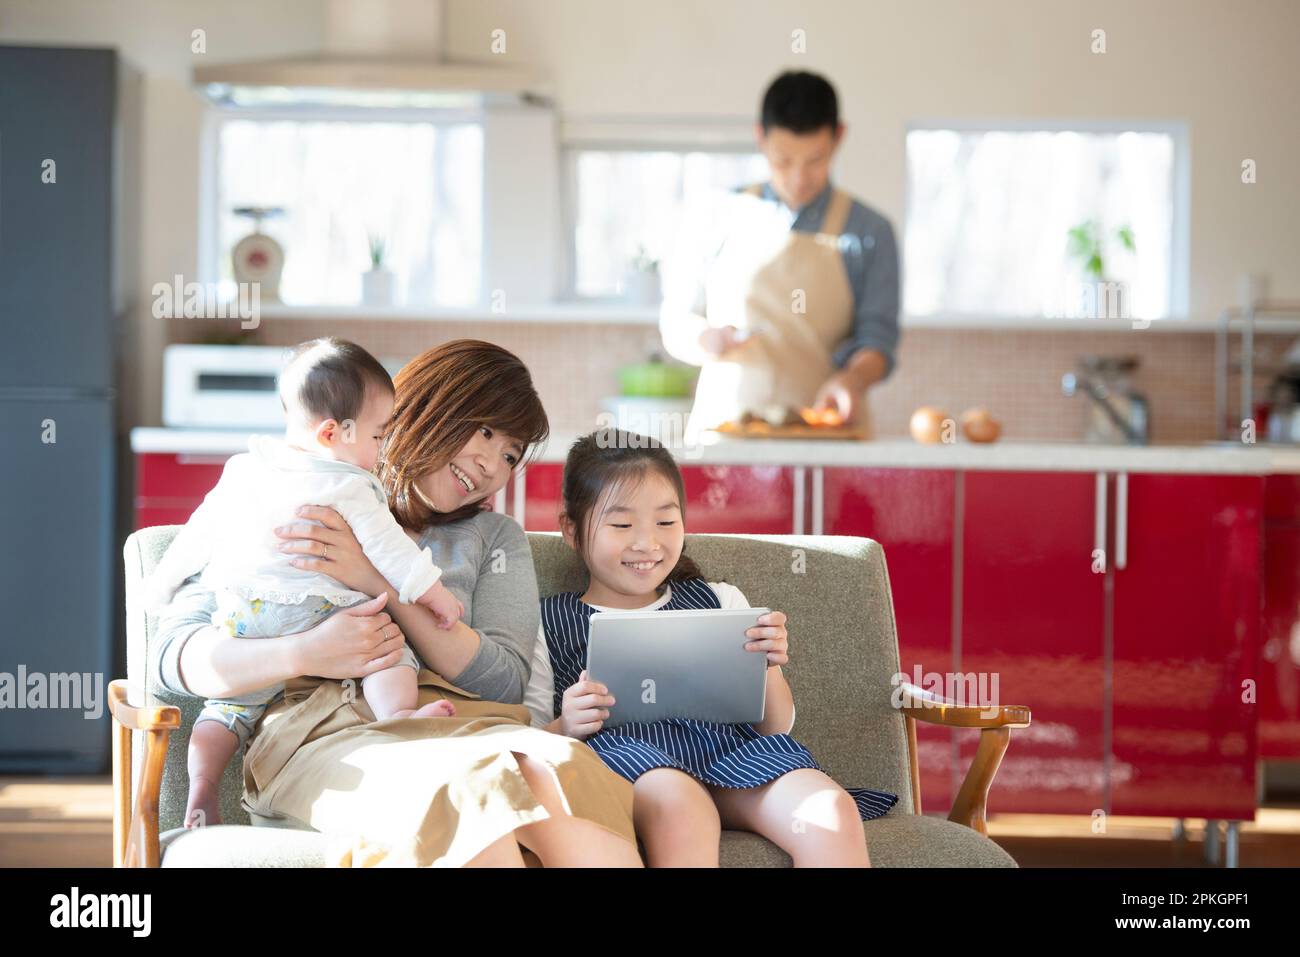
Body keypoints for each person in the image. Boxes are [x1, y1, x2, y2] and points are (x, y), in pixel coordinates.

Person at [150, 340, 643, 867]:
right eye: (484, 431)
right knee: (468, 791)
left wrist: (369, 576)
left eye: (509, 454)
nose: (490, 466)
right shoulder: (286, 492)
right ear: (423, 406)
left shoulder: (494, 537)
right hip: (324, 731)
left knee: (564, 766)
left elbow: (502, 681)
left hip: (466, 724)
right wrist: (307, 652)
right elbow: (172, 658)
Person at [524, 428, 898, 866]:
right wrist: (567, 724)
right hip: (630, 766)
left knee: (830, 811)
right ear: (571, 529)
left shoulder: (722, 600)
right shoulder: (546, 623)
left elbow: (775, 728)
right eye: (622, 525)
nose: (647, 543)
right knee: (683, 805)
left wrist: (769, 666)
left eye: (666, 522)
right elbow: (526, 739)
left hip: (732, 758)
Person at [147, 338, 463, 828]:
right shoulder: (347, 483)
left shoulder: (244, 470)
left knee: (226, 708)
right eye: (378, 436)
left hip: (246, 617)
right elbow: (391, 550)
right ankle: (396, 718)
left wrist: (162, 585)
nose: (382, 449)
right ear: (332, 433)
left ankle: (204, 783)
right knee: (389, 652)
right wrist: (435, 594)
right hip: (320, 610)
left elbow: (197, 536)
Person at [659, 70, 900, 438]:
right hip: (725, 436)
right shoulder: (715, 216)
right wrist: (705, 339)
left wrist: (853, 379)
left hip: (827, 436)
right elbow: (677, 320)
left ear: (838, 137)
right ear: (760, 137)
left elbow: (877, 339)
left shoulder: (870, 231)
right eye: (784, 160)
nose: (799, 178)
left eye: (815, 160)